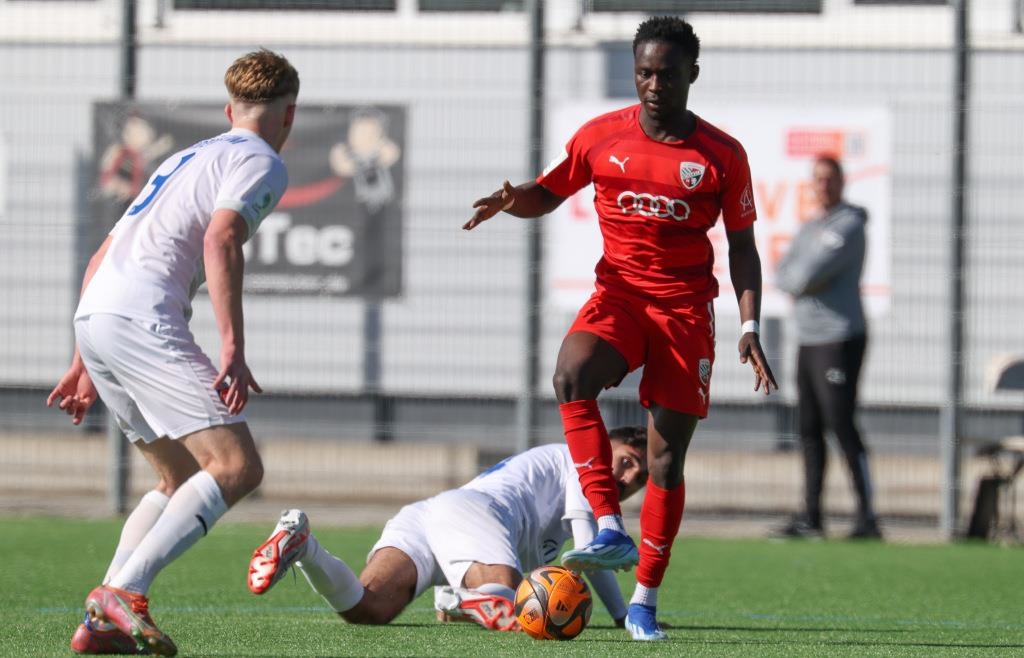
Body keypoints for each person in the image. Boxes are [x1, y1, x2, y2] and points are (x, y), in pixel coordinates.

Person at [464, 16, 777, 641]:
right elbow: (548, 192)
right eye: (643, 72)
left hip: (685, 311)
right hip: (621, 296)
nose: (653, 83)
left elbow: (742, 247)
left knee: (666, 461)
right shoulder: (602, 136)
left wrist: (748, 324)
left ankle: (644, 603)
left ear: (691, 73)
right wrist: (511, 199)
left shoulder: (721, 155)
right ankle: (608, 526)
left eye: (665, 72)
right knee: (571, 374)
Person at [47, 49, 300, 656]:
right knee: (237, 467)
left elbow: (100, 256)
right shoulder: (262, 160)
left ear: (228, 109)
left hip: (98, 315)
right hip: (141, 317)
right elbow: (222, 236)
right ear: (289, 115)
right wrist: (232, 348)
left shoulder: (185, 156)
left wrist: (84, 357)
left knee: (178, 474)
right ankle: (124, 593)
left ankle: (103, 621)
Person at [247, 427, 650, 632]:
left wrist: (618, 614)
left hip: (432, 515)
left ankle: (303, 546)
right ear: (604, 444)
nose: (627, 478)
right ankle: (463, 601)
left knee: (366, 608)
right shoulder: (586, 463)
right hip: (474, 513)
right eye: (628, 460)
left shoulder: (572, 470)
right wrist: (623, 615)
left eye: (639, 478)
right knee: (510, 596)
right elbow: (589, 550)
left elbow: (588, 553)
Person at [774, 155, 881, 540]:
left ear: (842, 181)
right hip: (808, 338)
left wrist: (800, 278)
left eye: (830, 178)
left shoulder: (850, 225)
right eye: (817, 178)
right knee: (808, 428)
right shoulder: (809, 227)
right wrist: (797, 277)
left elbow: (803, 276)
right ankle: (812, 517)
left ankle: (868, 517)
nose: (824, 185)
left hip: (839, 337)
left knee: (841, 424)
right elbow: (782, 273)